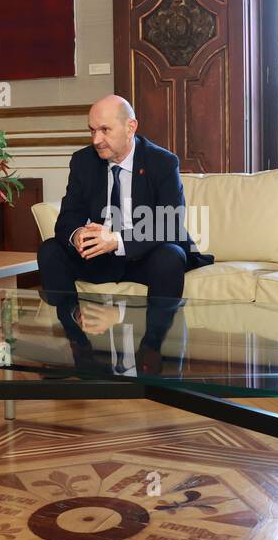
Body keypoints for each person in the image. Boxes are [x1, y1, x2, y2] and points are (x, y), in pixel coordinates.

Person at [37, 94, 212, 354]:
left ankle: (154, 352)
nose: (96, 140)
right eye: (92, 130)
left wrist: (116, 240)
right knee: (50, 250)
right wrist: (78, 235)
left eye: (105, 130)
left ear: (131, 127)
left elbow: (170, 223)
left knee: (171, 257)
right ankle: (78, 347)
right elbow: (67, 220)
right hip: (99, 257)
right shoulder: (84, 161)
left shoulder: (162, 162)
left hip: (143, 256)